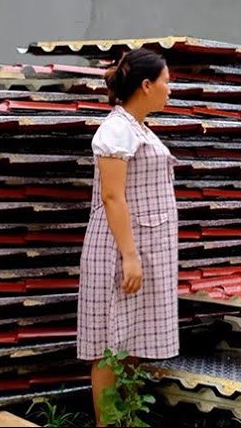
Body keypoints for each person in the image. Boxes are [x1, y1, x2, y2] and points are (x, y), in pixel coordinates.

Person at [77, 47, 179, 427]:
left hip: (141, 249)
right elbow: (112, 196)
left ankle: (127, 419)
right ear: (146, 84)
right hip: (119, 251)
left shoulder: (137, 127)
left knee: (130, 340)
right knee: (109, 344)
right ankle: (109, 424)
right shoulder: (116, 129)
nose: (170, 89)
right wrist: (130, 256)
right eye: (167, 82)